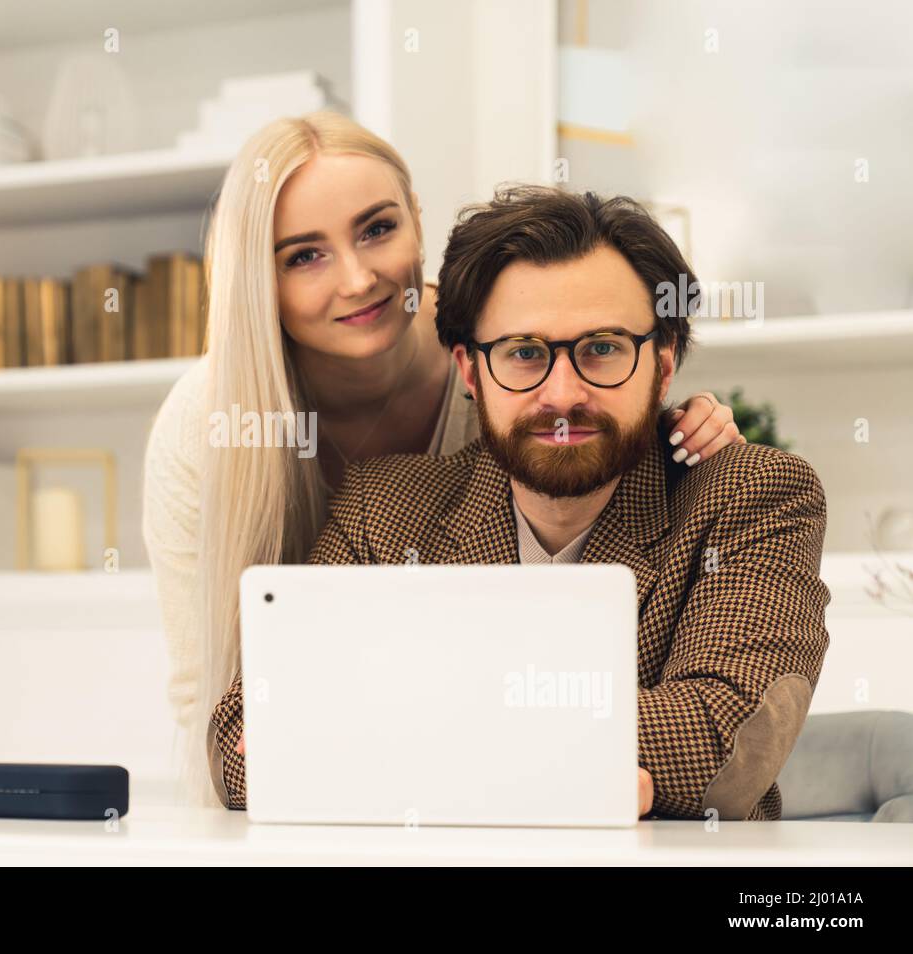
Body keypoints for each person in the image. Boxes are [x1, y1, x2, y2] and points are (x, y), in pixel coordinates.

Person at [142, 112, 746, 807]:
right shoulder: (205, 426)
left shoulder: (506, 363)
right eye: (304, 255)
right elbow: (213, 700)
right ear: (258, 276)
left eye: (377, 229)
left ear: (417, 220)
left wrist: (665, 443)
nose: (359, 278)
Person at [208, 185, 830, 821]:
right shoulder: (385, 510)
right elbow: (242, 739)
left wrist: (379, 729)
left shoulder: (752, 497)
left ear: (663, 366)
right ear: (471, 373)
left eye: (604, 348)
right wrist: (567, 752)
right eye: (525, 354)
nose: (563, 395)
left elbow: (717, 744)